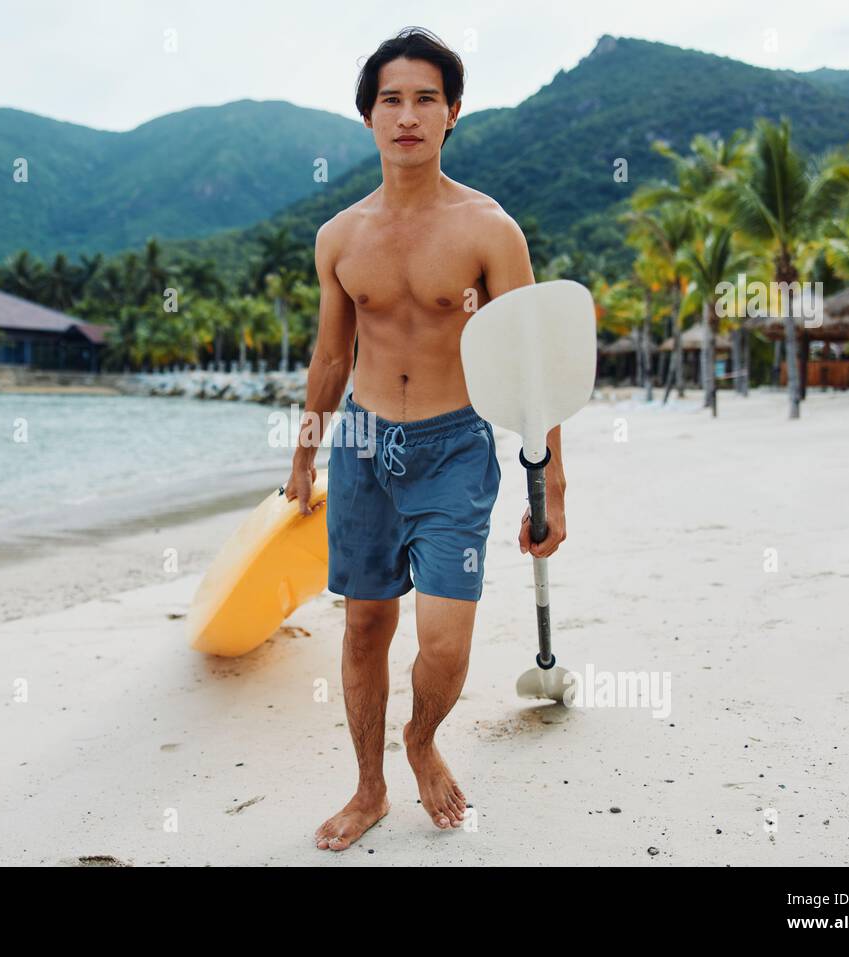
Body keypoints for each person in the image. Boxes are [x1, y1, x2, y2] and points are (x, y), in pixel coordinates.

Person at [284, 26, 568, 852]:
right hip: (364, 451)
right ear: (368, 118)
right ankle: (370, 787)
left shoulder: (490, 230)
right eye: (390, 100)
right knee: (366, 626)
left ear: (451, 116)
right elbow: (332, 354)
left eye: (425, 100)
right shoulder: (338, 236)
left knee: (443, 641)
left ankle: (421, 737)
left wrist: (552, 486)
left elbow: (530, 360)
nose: (407, 115)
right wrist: (304, 457)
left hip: (455, 449)